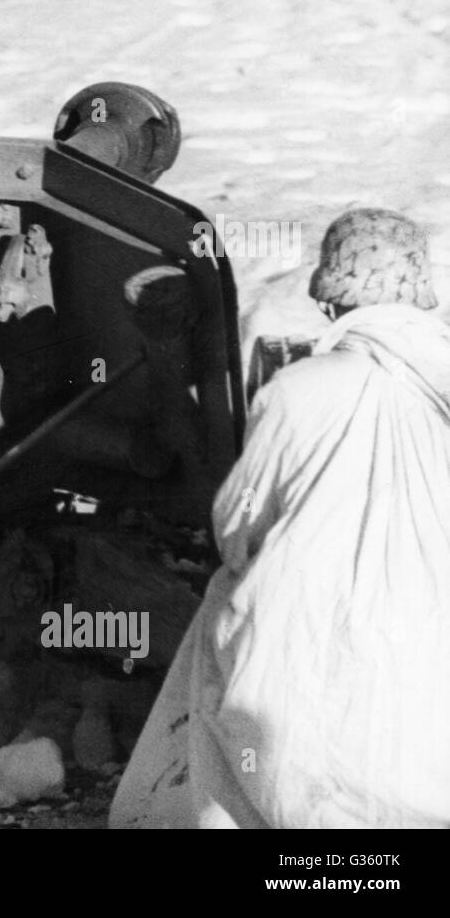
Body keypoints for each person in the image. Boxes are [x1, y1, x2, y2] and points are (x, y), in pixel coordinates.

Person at [110, 208, 450, 828]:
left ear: (331, 298)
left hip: (309, 640)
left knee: (226, 604)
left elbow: (238, 528)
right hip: (432, 651)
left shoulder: (301, 390)